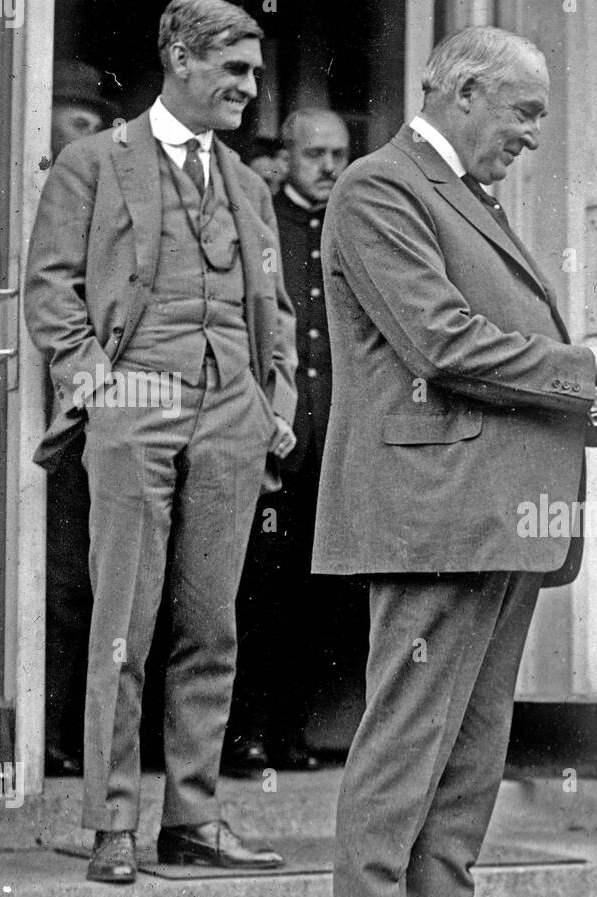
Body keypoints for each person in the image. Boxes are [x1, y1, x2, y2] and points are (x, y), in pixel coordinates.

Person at [315, 25, 597, 897]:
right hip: (433, 519)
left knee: (465, 775)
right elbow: (440, 341)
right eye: (522, 112)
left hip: (492, 520)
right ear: (464, 91)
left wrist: (581, 402)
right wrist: (581, 362)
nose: (532, 135)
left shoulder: (468, 200)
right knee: (401, 767)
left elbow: (482, 365)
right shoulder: (380, 189)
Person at [25, 0, 298, 884]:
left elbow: (276, 314)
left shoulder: (250, 189)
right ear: (180, 59)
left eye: (254, 74)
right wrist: (92, 382)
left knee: (210, 624)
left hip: (231, 412)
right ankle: (111, 821)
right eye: (236, 71)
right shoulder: (93, 163)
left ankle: (194, 817)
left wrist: (273, 403)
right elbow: (51, 288)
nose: (250, 92)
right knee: (124, 622)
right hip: (133, 395)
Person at [224, 108, 354, 775]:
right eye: (315, 155)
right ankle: (243, 732)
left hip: (334, 442)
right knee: (253, 593)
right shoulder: (259, 217)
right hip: (269, 438)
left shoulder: (355, 226)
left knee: (316, 596)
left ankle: (293, 733)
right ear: (289, 155)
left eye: (339, 154)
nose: (329, 166)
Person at [43, 61, 120, 779]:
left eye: (98, 121)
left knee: (81, 586)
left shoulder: (105, 203)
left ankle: (65, 740)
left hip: (94, 418)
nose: (92, 132)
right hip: (10, 412)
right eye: (79, 118)